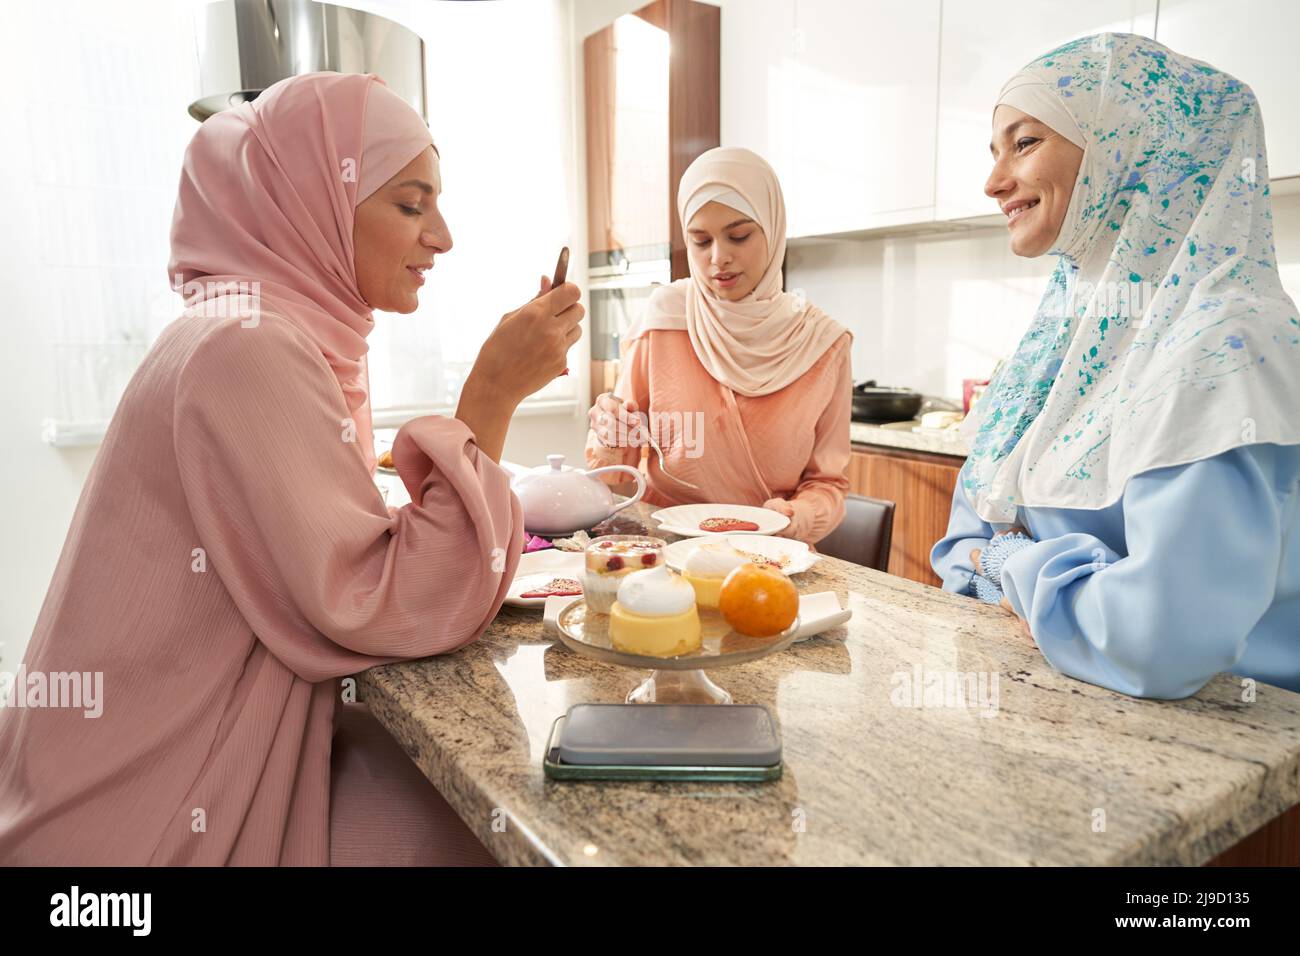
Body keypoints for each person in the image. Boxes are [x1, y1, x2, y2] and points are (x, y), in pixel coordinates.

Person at [0, 72, 583, 864]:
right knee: (502, 822)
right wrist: (491, 394)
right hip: (155, 802)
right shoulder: (250, 347)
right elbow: (386, 603)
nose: (442, 237)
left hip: (123, 762)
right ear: (313, 205)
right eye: (411, 205)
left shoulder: (248, 325)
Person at [931, 34, 1300, 698]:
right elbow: (959, 550)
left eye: (1024, 143)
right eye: (994, 151)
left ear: (1131, 146)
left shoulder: (1227, 343)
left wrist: (1013, 566)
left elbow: (1160, 638)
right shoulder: (1063, 340)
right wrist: (1056, 587)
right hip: (1060, 704)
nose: (992, 183)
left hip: (1226, 752)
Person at [585, 147, 852, 546]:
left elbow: (828, 483)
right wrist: (610, 432)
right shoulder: (663, 321)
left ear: (773, 229)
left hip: (771, 559)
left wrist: (797, 517)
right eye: (700, 241)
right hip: (666, 552)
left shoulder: (824, 344)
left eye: (739, 236)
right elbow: (617, 478)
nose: (719, 258)